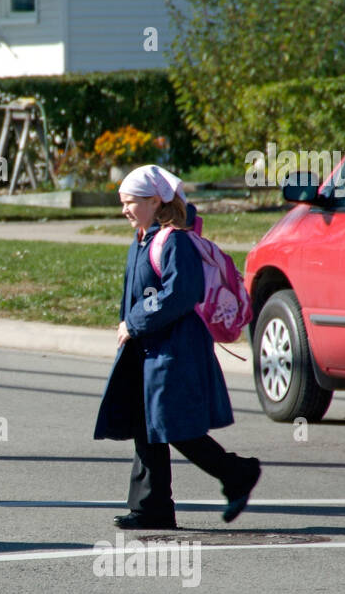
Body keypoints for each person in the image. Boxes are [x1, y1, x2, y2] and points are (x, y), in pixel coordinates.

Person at [93, 164, 260, 529]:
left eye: (130, 202)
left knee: (172, 426)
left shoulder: (175, 241)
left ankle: (237, 473)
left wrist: (134, 322)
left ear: (154, 201)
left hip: (175, 352)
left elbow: (182, 293)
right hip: (146, 350)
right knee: (146, 426)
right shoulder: (141, 239)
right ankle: (151, 508)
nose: (124, 209)